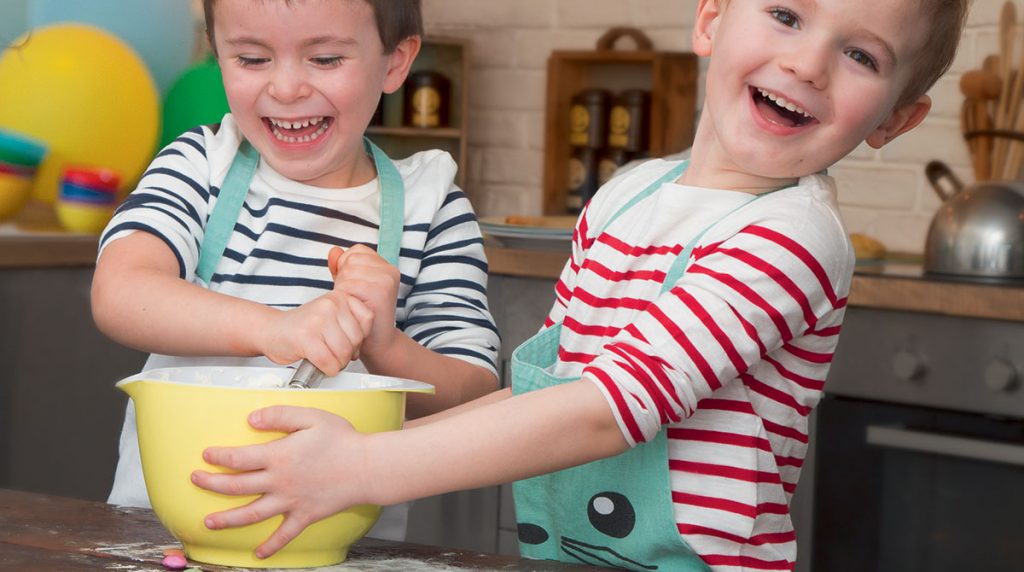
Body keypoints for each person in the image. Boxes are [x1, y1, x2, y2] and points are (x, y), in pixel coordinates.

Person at [190, 0, 970, 568]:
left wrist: (361, 469)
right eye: (786, 15)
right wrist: (365, 451)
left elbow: (607, 410)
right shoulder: (624, 197)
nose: (807, 64)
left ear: (894, 119)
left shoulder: (793, 238)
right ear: (710, 19)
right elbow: (544, 391)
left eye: (861, 55)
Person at [90, 0, 499, 542]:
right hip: (162, 531)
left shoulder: (432, 206)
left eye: (325, 59)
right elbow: (121, 291)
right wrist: (276, 329)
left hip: (345, 546)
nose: (285, 89)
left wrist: (385, 347)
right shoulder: (200, 165)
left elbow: (475, 393)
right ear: (217, 55)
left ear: (395, 61)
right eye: (252, 58)